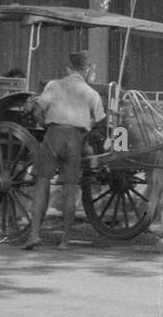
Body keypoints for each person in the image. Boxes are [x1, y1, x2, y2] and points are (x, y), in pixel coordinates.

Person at [23, 50, 105, 250]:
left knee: (42, 184)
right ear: (86, 71)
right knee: (70, 190)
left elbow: (37, 110)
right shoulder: (92, 94)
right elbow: (102, 121)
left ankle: (34, 235)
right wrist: (88, 127)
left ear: (68, 68)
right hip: (75, 141)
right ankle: (64, 241)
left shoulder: (53, 85)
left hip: (53, 137)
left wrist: (44, 125)